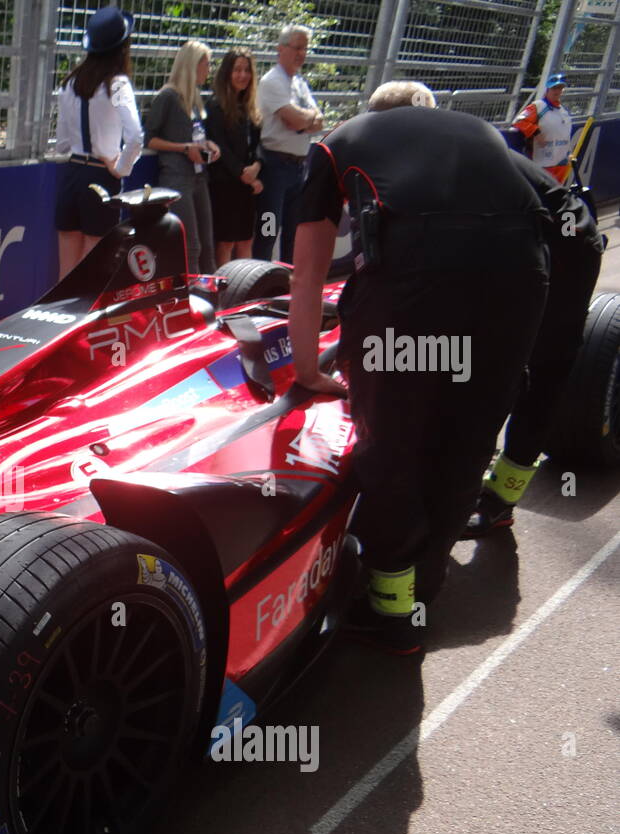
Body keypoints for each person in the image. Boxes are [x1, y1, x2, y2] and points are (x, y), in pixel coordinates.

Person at [287, 80, 550, 653]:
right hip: (520, 283)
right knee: (468, 434)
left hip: (417, 290)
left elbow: (306, 275)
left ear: (373, 114)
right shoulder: (482, 134)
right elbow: (560, 209)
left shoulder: (339, 140)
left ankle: (392, 610)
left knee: (393, 439)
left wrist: (308, 372)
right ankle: (425, 584)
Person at [462, 151, 604, 537]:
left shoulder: (449, 158)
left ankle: (500, 500)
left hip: (567, 248)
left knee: (533, 372)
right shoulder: (431, 151)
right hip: (523, 238)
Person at [53, 6, 143, 279]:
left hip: (72, 174)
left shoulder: (69, 83)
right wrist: (121, 167)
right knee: (94, 275)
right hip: (101, 178)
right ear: (122, 46)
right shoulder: (116, 85)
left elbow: (62, 143)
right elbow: (136, 136)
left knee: (66, 276)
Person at [145, 40, 220, 274]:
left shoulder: (195, 98)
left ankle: (209, 297)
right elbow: (149, 139)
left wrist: (207, 146)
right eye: (206, 65)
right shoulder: (167, 96)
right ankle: (191, 299)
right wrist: (184, 148)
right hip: (177, 178)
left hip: (199, 177)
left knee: (208, 245)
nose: (209, 71)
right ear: (192, 65)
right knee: (191, 245)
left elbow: (194, 134)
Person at [253, 24, 322, 263]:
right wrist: (305, 120)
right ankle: (260, 280)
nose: (301, 54)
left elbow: (318, 119)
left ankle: (289, 285)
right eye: (297, 48)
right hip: (274, 168)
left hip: (298, 167)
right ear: (280, 49)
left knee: (293, 231)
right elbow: (292, 118)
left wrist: (304, 120)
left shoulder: (299, 83)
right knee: (268, 228)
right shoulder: (272, 81)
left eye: (305, 48)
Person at [205, 47, 264, 266]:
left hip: (247, 186)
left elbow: (259, 144)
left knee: (246, 239)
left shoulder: (250, 107)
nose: (242, 75)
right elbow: (219, 146)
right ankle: (224, 295)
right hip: (224, 184)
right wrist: (242, 173)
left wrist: (256, 168)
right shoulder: (215, 105)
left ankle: (244, 291)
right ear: (227, 73)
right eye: (237, 70)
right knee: (225, 242)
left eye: (247, 70)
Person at [511, 73, 572, 183]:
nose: (557, 91)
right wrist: (536, 132)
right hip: (542, 163)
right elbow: (519, 121)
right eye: (554, 88)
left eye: (560, 88)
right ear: (547, 89)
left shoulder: (564, 111)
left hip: (560, 164)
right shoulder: (538, 106)